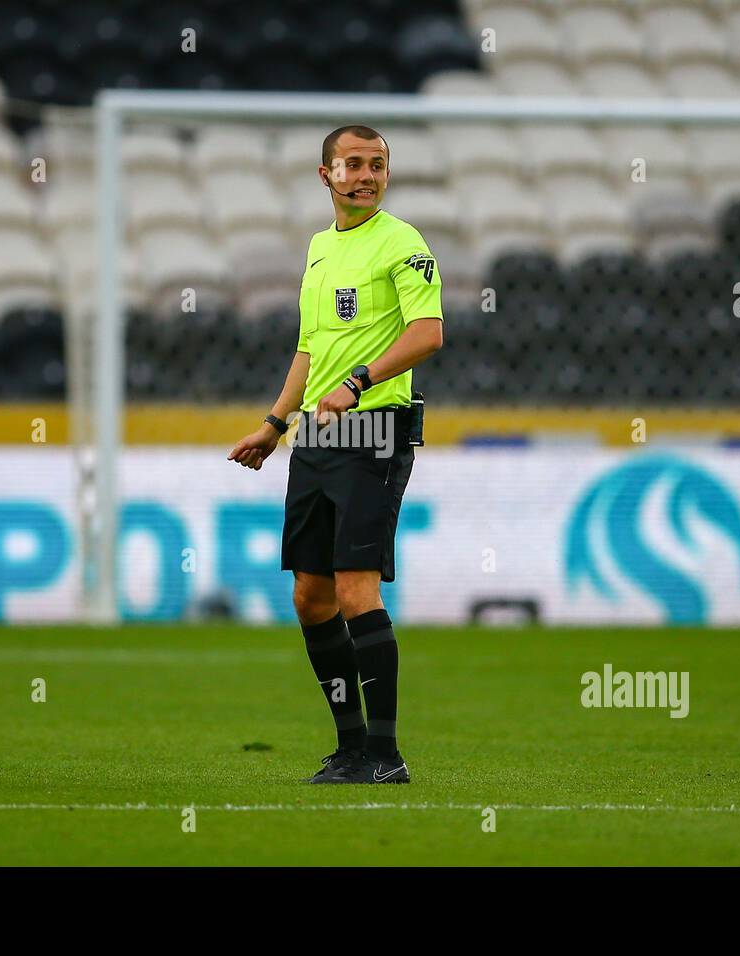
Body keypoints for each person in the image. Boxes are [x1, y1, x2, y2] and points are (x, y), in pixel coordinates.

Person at [227, 125, 444, 784]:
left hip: (373, 431)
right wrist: (274, 422)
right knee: (310, 596)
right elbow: (309, 350)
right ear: (325, 174)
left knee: (355, 589)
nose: (366, 176)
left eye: (377, 165)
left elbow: (429, 333)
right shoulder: (320, 248)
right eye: (353, 164)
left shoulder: (403, 242)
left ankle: (386, 754)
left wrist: (361, 380)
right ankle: (350, 747)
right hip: (318, 438)